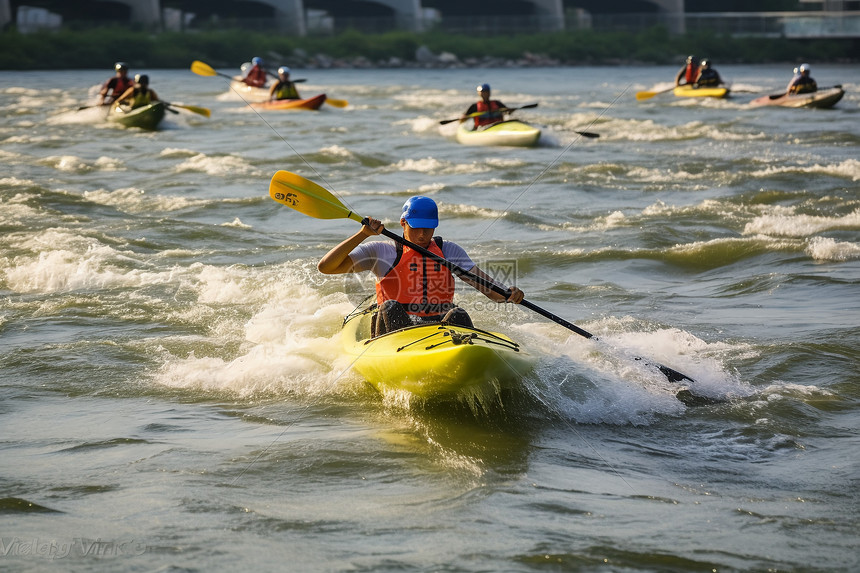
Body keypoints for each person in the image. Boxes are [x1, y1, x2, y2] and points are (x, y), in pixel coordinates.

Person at [317, 196, 524, 336]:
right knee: (391, 307)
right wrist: (363, 234)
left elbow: (489, 289)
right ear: (403, 223)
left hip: (436, 329)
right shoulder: (382, 252)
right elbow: (326, 267)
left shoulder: (449, 251)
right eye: (417, 228)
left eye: (428, 228)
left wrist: (509, 294)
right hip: (393, 329)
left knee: (458, 314)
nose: (423, 235)